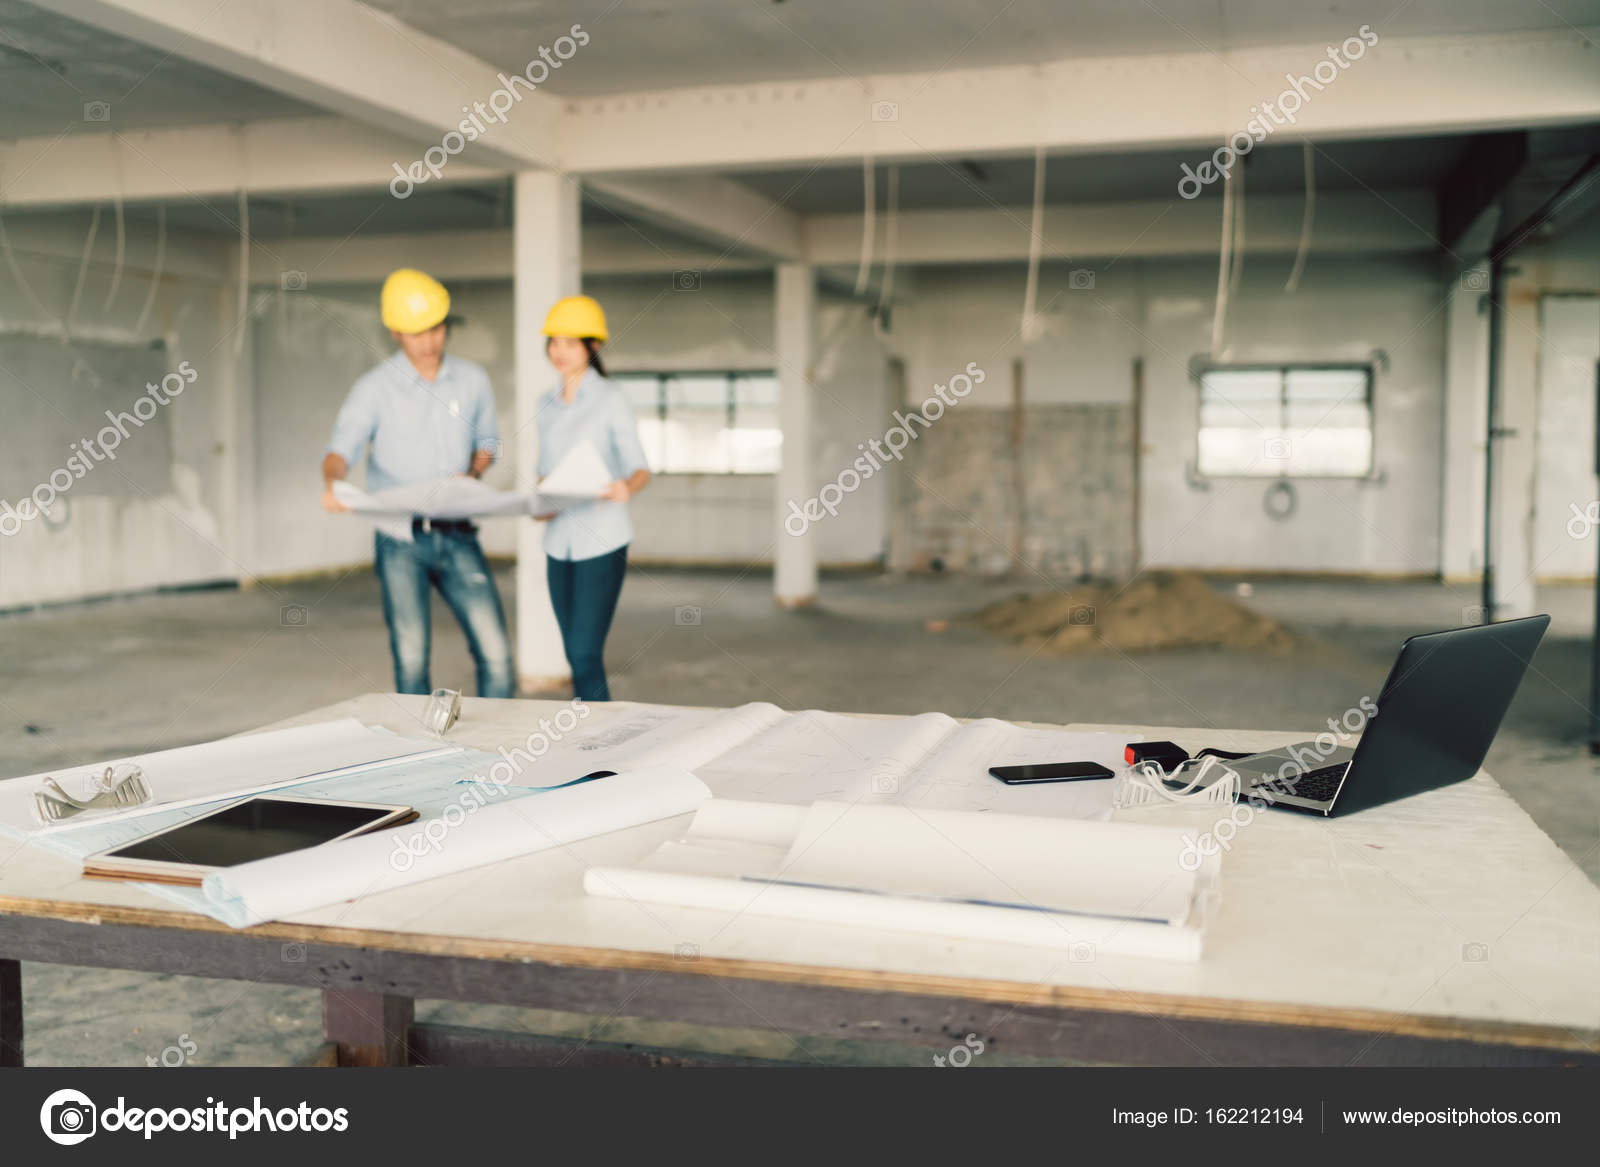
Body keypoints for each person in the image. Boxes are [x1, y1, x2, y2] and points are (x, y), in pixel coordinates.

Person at [320, 268, 514, 699]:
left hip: (459, 535)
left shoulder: (472, 380)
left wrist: (477, 468)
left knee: (497, 654)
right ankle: (421, 756)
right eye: (416, 333)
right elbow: (340, 451)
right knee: (411, 658)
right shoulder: (373, 389)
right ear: (395, 332)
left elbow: (488, 442)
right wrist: (334, 483)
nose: (429, 342)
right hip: (400, 541)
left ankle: (500, 754)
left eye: (436, 329)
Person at [537, 295, 650, 701]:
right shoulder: (544, 405)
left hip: (602, 539)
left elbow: (640, 468)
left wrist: (626, 487)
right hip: (557, 541)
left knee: (585, 652)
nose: (559, 351)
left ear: (593, 346)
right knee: (574, 654)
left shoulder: (611, 399)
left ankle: (604, 752)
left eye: (570, 342)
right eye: (554, 342)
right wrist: (540, 499)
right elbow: (543, 472)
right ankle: (589, 740)